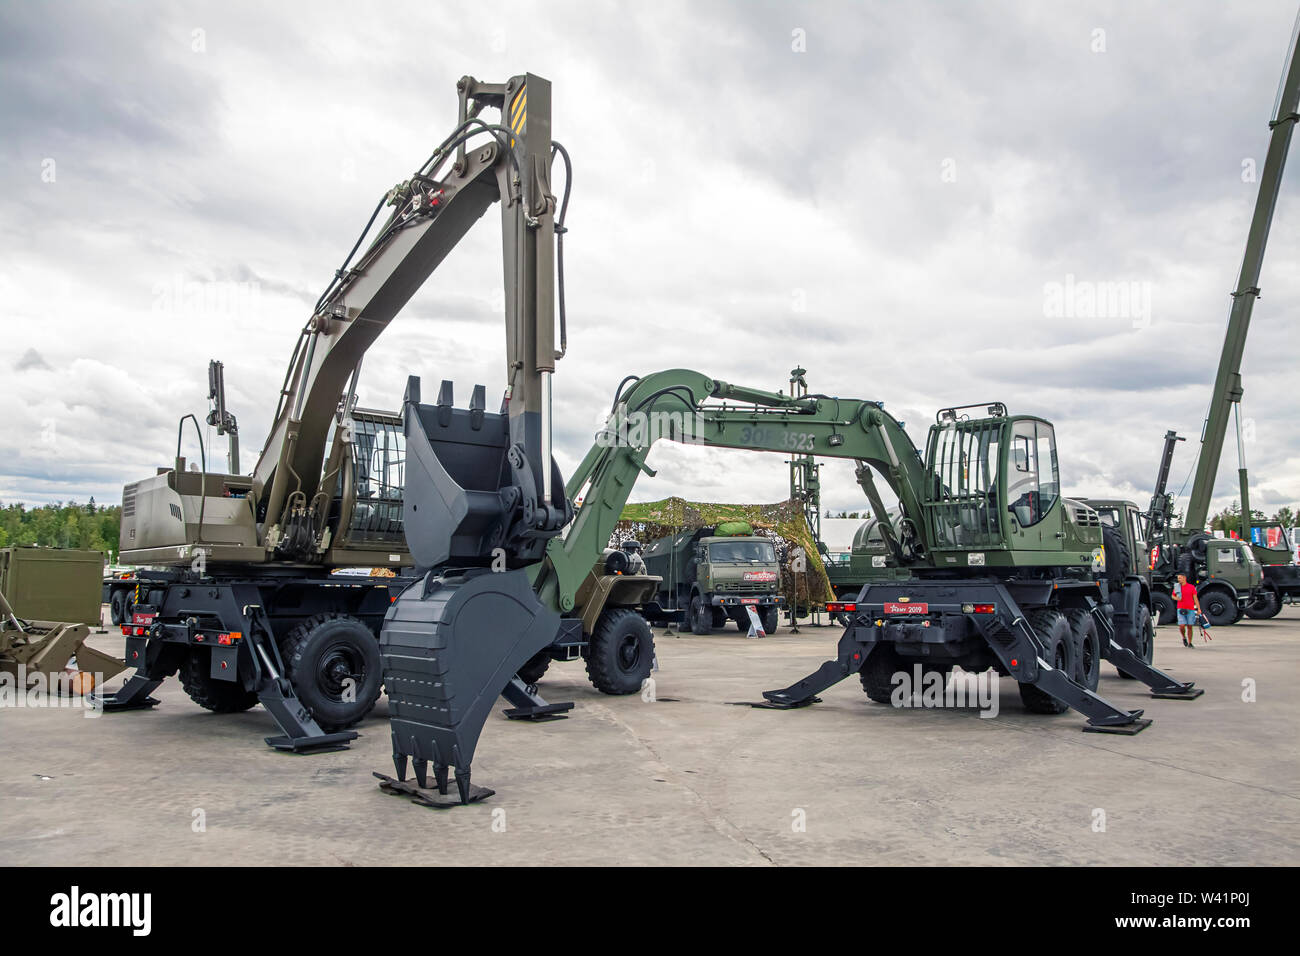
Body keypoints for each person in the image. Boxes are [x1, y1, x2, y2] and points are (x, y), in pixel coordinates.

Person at [1174, 572, 1201, 648]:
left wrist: (1198, 609)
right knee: (1182, 626)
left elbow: (1195, 599)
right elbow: (1173, 596)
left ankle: (1190, 642)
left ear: (1184, 578)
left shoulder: (1191, 587)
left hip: (1190, 609)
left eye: (1180, 578)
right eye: (1178, 578)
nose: (1178, 579)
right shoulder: (1177, 587)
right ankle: (1183, 637)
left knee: (1190, 626)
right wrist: (1177, 598)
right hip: (1180, 609)